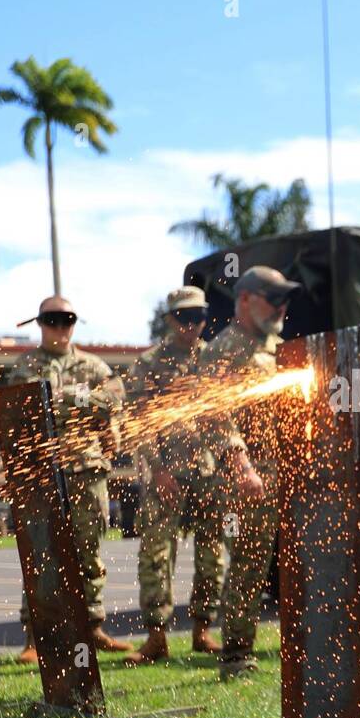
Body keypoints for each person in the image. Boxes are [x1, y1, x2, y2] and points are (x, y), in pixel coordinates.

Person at [8, 294, 132, 663]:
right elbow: (22, 409)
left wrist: (67, 397)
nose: (60, 328)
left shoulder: (93, 365)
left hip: (87, 470)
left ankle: (92, 627)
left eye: (67, 320)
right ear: (39, 324)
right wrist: (80, 399)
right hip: (43, 472)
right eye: (52, 320)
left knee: (89, 552)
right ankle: (37, 637)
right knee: (42, 553)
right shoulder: (25, 367)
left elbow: (113, 399)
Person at [199, 266, 300, 681]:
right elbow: (213, 413)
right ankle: (236, 655)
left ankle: (305, 644)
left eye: (284, 298)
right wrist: (241, 465)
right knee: (249, 563)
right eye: (271, 296)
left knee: (299, 560)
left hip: (288, 468)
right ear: (244, 299)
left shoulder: (280, 346)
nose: (281, 305)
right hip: (248, 474)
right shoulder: (224, 348)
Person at [123, 285, 226, 665]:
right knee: (156, 554)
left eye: (198, 316)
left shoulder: (214, 360)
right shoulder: (149, 363)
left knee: (212, 552)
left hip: (209, 472)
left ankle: (202, 631)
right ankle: (156, 636)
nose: (191, 324)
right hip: (166, 474)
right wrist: (159, 469)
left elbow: (225, 415)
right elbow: (139, 421)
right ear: (170, 319)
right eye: (184, 317)